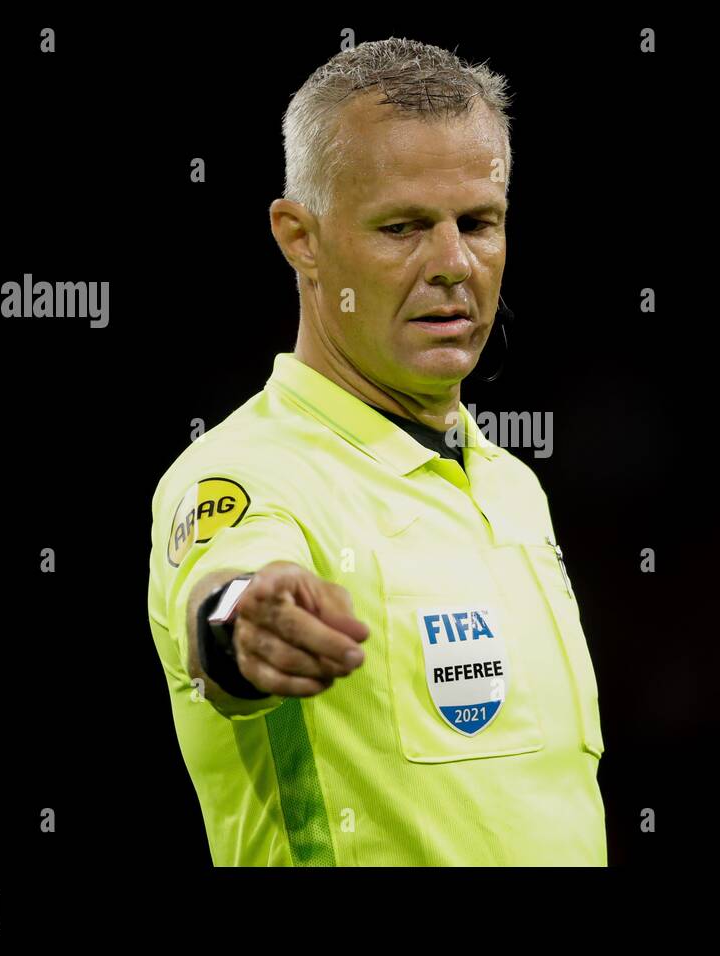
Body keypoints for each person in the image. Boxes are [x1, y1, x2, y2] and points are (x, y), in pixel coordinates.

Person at [146, 37, 605, 866]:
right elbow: (226, 595)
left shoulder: (511, 487)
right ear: (300, 238)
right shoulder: (245, 471)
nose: (454, 264)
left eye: (479, 222)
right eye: (403, 228)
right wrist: (240, 625)